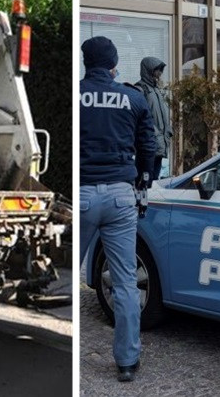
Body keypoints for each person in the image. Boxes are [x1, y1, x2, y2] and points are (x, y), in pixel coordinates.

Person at [79, 36, 157, 383]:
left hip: (81, 194)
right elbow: (149, 147)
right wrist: (145, 180)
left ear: (86, 63)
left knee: (63, 272)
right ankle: (127, 361)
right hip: (121, 196)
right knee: (125, 281)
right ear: (113, 66)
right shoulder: (134, 98)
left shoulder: (77, 94)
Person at [135, 57, 172, 181]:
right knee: (145, 179)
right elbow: (140, 117)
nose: (160, 73)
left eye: (160, 70)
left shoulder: (156, 90)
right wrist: (153, 134)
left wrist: (168, 131)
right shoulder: (140, 89)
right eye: (157, 70)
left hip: (160, 141)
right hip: (148, 143)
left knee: (155, 179)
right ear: (149, 70)